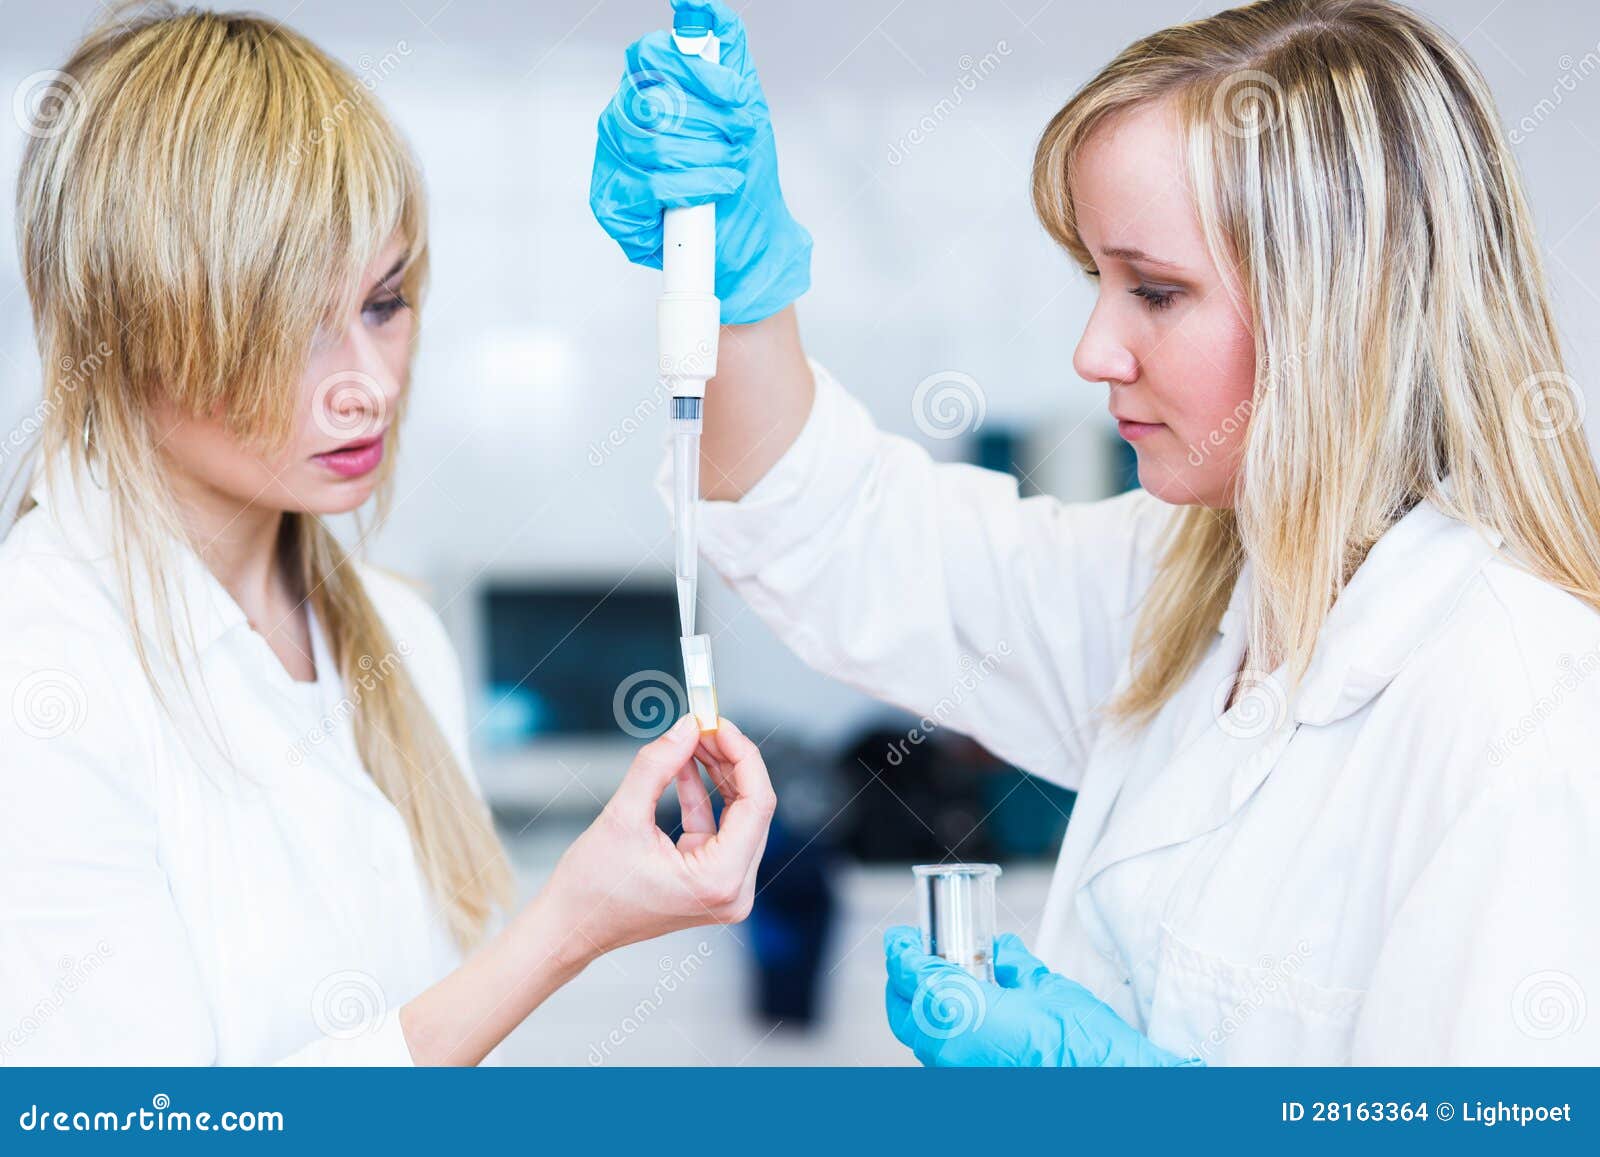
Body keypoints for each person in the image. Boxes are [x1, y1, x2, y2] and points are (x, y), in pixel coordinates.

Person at [591, 0, 1600, 1064]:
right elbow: (846, 534)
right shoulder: (1186, 583)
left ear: (1349, 312)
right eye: (1098, 281)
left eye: (1155, 292)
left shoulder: (1522, 703)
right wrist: (739, 289)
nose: (1093, 352)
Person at [0, 4, 775, 1066]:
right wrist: (565, 930)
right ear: (126, 329)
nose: (367, 386)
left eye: (383, 302)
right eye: (289, 326)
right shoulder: (39, 663)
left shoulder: (397, 634)